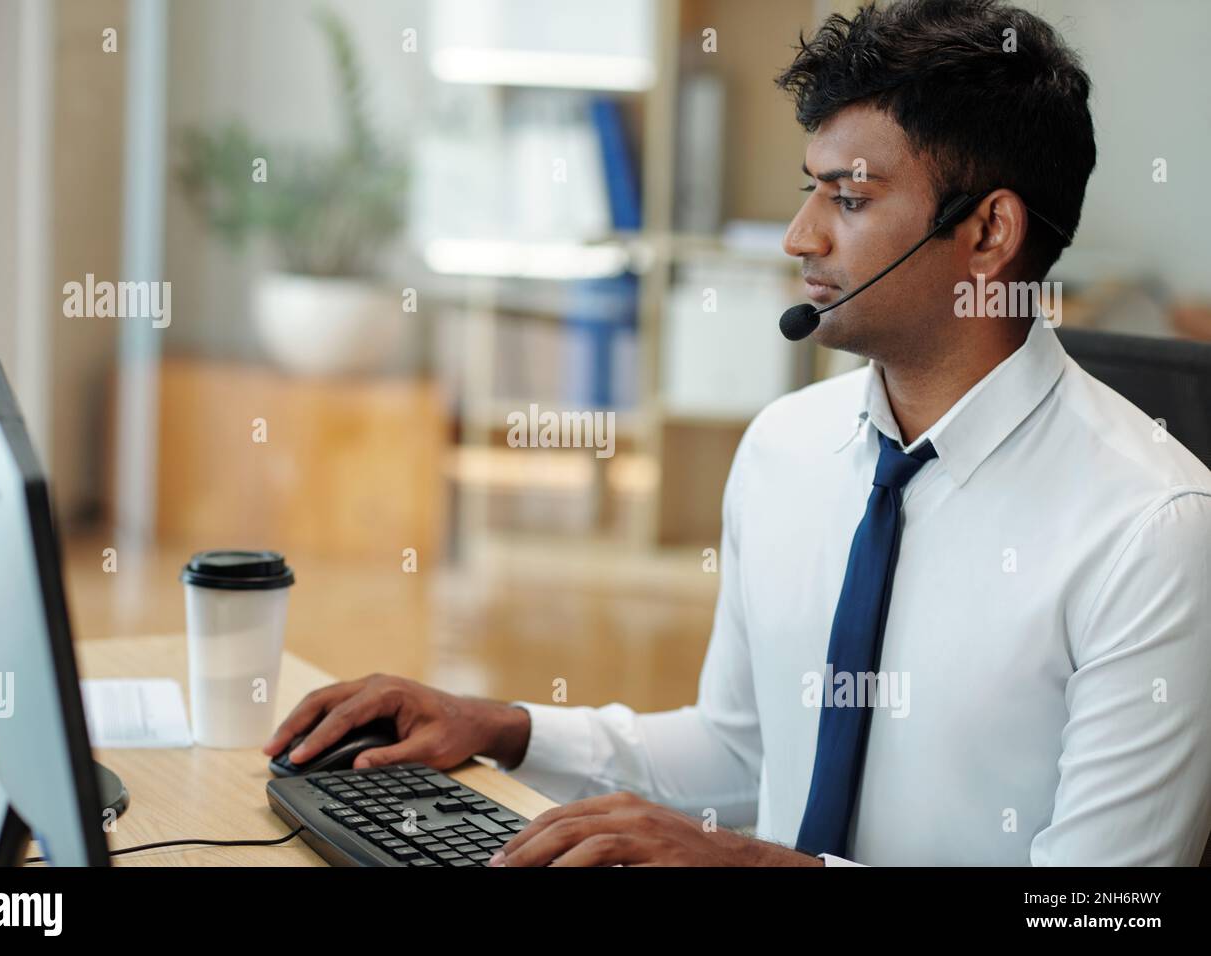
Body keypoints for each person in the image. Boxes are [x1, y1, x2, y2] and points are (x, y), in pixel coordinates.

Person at [266, 0, 1211, 866]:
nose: (800, 237)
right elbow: (740, 750)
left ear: (989, 231)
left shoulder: (1151, 529)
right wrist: (501, 728)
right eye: (810, 191)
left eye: (847, 198)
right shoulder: (784, 449)